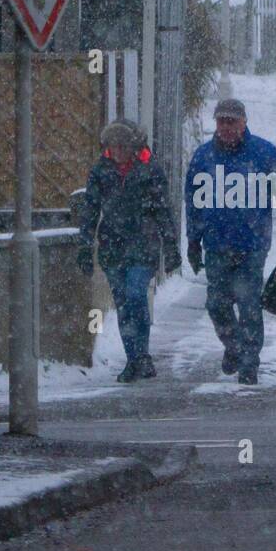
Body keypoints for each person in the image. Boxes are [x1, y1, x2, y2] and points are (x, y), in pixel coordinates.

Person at [184, 98, 276, 385]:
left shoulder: (262, 153)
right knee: (216, 305)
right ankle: (233, 346)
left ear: (244, 122)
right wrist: (193, 240)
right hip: (217, 244)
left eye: (232, 121)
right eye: (221, 121)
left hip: (252, 244)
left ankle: (249, 362)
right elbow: (193, 202)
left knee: (248, 303)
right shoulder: (203, 157)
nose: (227, 127)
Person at [77, 120, 180, 382]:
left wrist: (170, 246)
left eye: (122, 146)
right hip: (113, 247)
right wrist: (85, 246)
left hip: (143, 245)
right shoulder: (101, 170)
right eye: (113, 147)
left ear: (133, 148)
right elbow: (90, 209)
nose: (117, 151)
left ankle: (141, 355)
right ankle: (135, 358)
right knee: (123, 305)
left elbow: (163, 210)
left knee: (135, 294)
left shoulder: (149, 169)